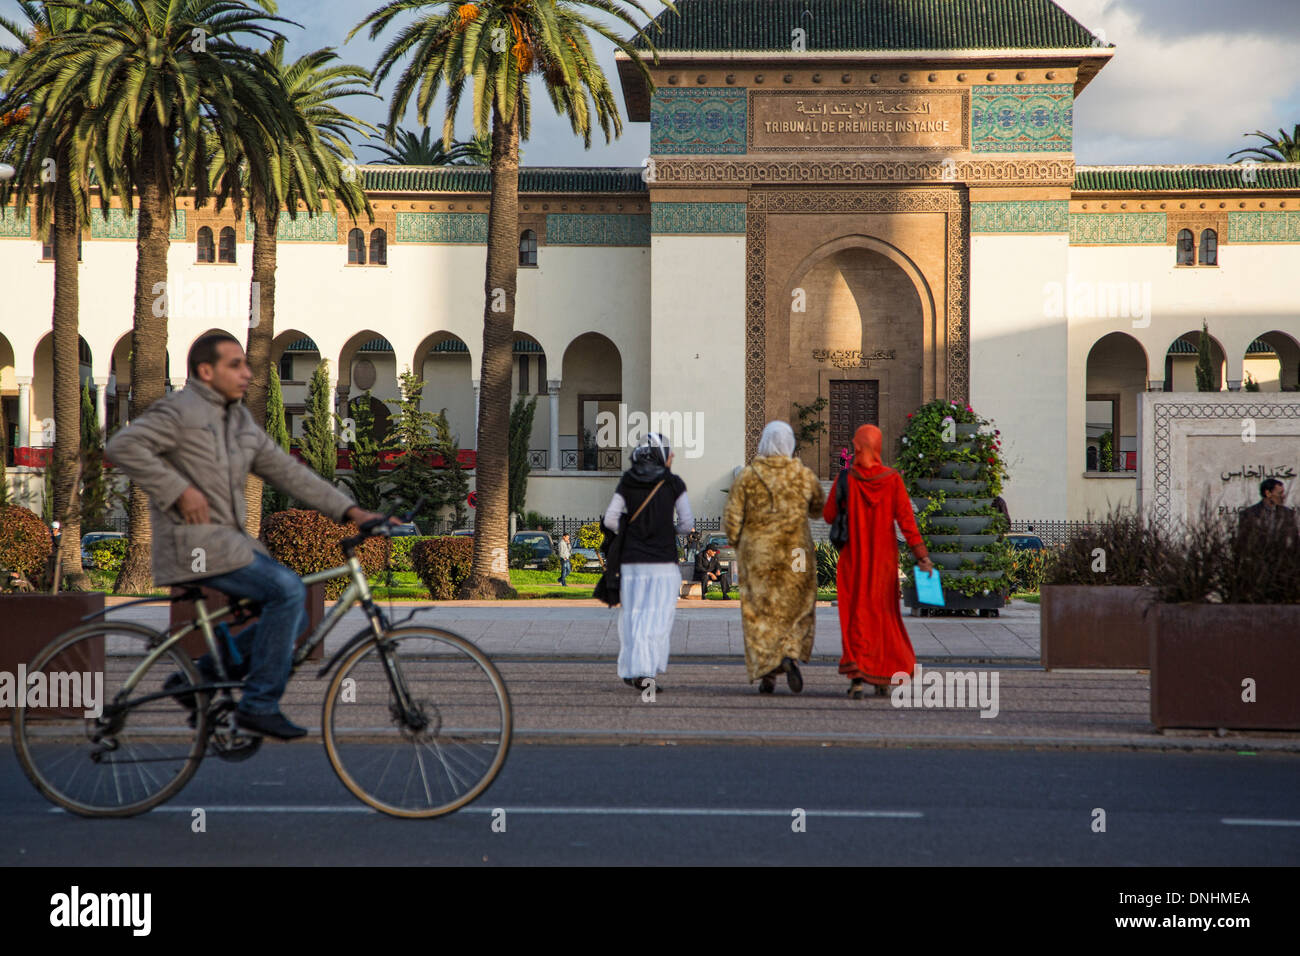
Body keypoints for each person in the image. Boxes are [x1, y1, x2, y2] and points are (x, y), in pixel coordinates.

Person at [106, 333, 387, 739]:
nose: (246, 373)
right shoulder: (181, 410)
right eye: (235, 364)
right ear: (206, 371)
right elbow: (124, 445)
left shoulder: (237, 420)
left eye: (245, 364)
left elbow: (287, 472)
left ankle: (197, 679)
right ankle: (258, 704)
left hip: (228, 545)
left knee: (296, 610)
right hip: (193, 546)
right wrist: (178, 490)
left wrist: (352, 511)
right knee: (289, 591)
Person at [822, 423, 935, 700]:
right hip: (883, 563)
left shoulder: (846, 479)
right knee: (882, 617)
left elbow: (827, 515)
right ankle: (882, 675)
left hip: (853, 561)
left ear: (857, 446)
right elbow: (907, 522)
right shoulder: (892, 479)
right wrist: (922, 556)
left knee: (855, 616)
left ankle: (858, 675)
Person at [724, 420, 825, 694]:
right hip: (797, 554)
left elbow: (732, 519)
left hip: (759, 555)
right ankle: (790, 652)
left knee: (761, 612)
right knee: (796, 606)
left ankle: (768, 671)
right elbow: (818, 509)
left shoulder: (748, 476)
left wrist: (738, 544)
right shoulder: (802, 475)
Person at [603, 433, 692, 691]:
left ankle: (633, 668)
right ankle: (645, 671)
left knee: (633, 616)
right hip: (663, 564)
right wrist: (667, 530)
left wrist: (632, 532)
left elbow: (610, 519)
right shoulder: (674, 483)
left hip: (632, 564)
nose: (672, 456)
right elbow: (687, 524)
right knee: (657, 618)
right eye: (669, 451)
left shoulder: (628, 482)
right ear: (662, 456)